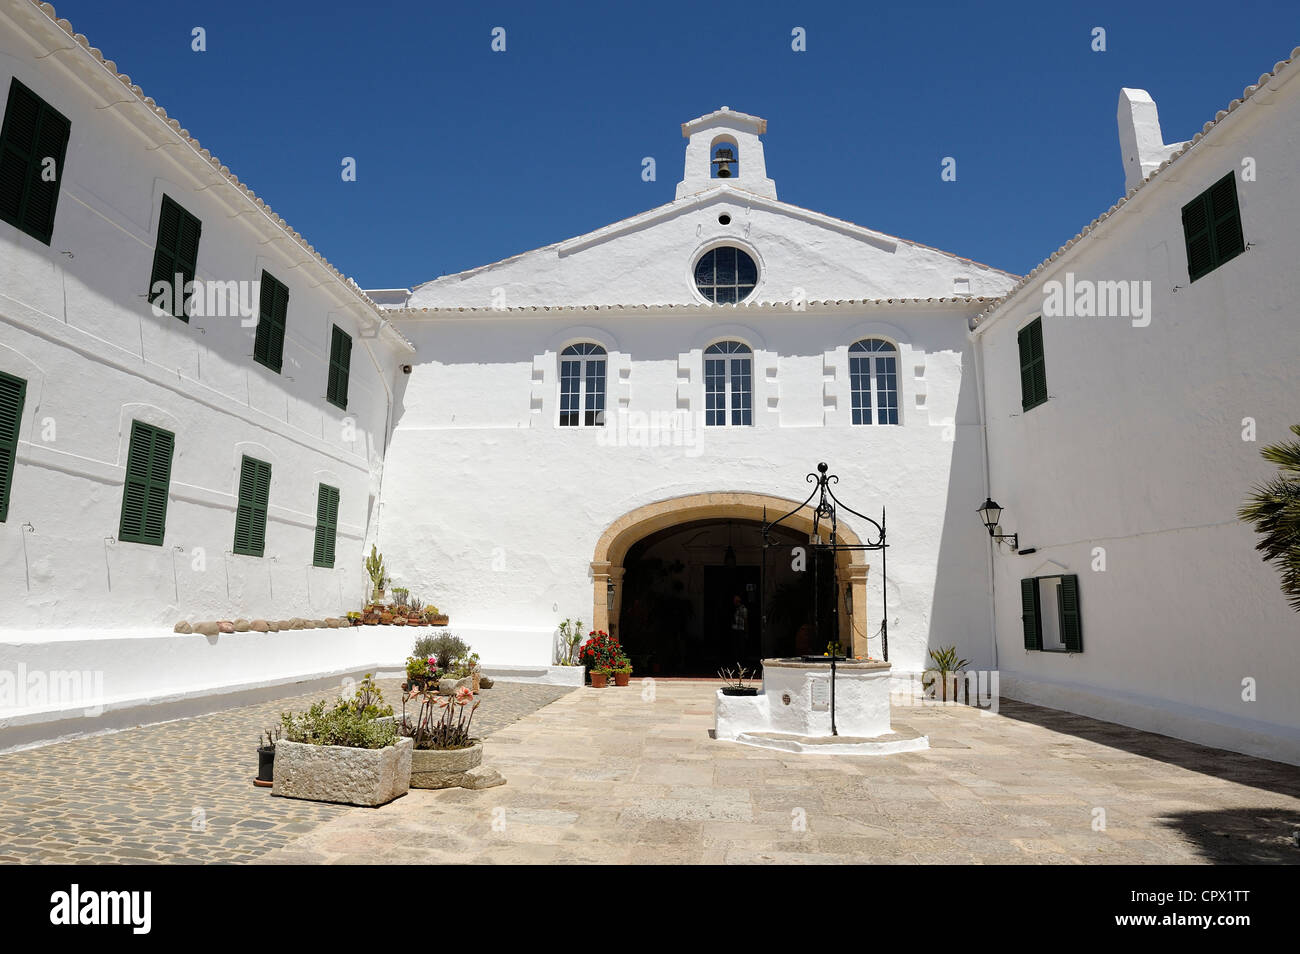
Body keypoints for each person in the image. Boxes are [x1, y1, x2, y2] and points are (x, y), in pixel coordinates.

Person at [730, 594, 749, 663]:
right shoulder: (733, 608)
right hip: (734, 629)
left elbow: (746, 621)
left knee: (741, 647)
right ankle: (736, 661)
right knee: (735, 647)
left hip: (741, 630)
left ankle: (741, 662)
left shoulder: (743, 609)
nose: (734, 602)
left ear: (738, 601)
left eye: (735, 600)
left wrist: (746, 632)